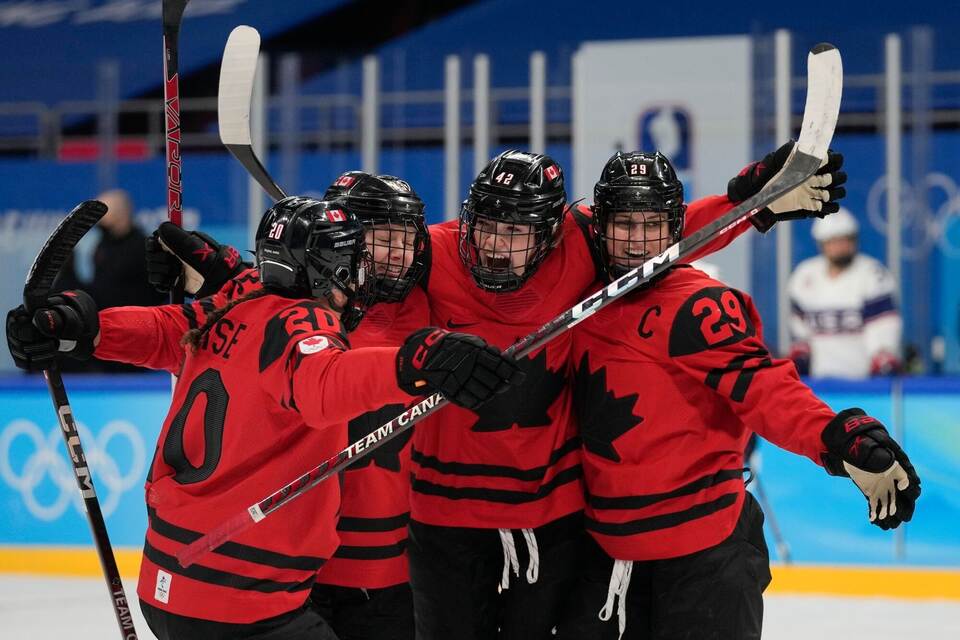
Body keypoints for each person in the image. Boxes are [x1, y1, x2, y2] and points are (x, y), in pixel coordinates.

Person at [6, 196, 523, 640]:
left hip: (166, 579)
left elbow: (166, 330)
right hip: (242, 598)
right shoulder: (305, 321)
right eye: (356, 262)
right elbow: (324, 383)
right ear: (334, 271)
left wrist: (85, 330)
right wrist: (414, 362)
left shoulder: (233, 303)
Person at [405, 145, 837, 640]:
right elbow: (371, 292)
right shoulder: (432, 254)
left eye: (517, 230)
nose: (497, 245)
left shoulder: (583, 248)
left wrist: (748, 205)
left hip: (555, 519)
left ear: (550, 234)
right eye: (487, 225)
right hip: (447, 519)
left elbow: (656, 239)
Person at [557, 151, 919, 640]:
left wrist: (835, 435)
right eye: (624, 223)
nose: (638, 240)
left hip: (704, 561)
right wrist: (746, 202)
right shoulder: (574, 297)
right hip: (602, 556)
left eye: (654, 224)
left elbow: (765, 388)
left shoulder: (699, 306)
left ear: (674, 227)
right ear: (599, 226)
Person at [146, 173, 433, 640]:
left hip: (382, 568)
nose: (398, 254)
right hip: (289, 571)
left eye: (406, 238)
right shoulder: (286, 307)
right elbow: (188, 327)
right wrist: (224, 276)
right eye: (382, 239)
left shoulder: (430, 291)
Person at [787, 207, 902, 378]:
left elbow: (884, 335)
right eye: (833, 241)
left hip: (864, 380)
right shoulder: (805, 275)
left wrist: (882, 358)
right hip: (819, 380)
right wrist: (801, 354)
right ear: (822, 243)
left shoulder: (872, 275)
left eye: (845, 239)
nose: (840, 246)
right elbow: (800, 333)